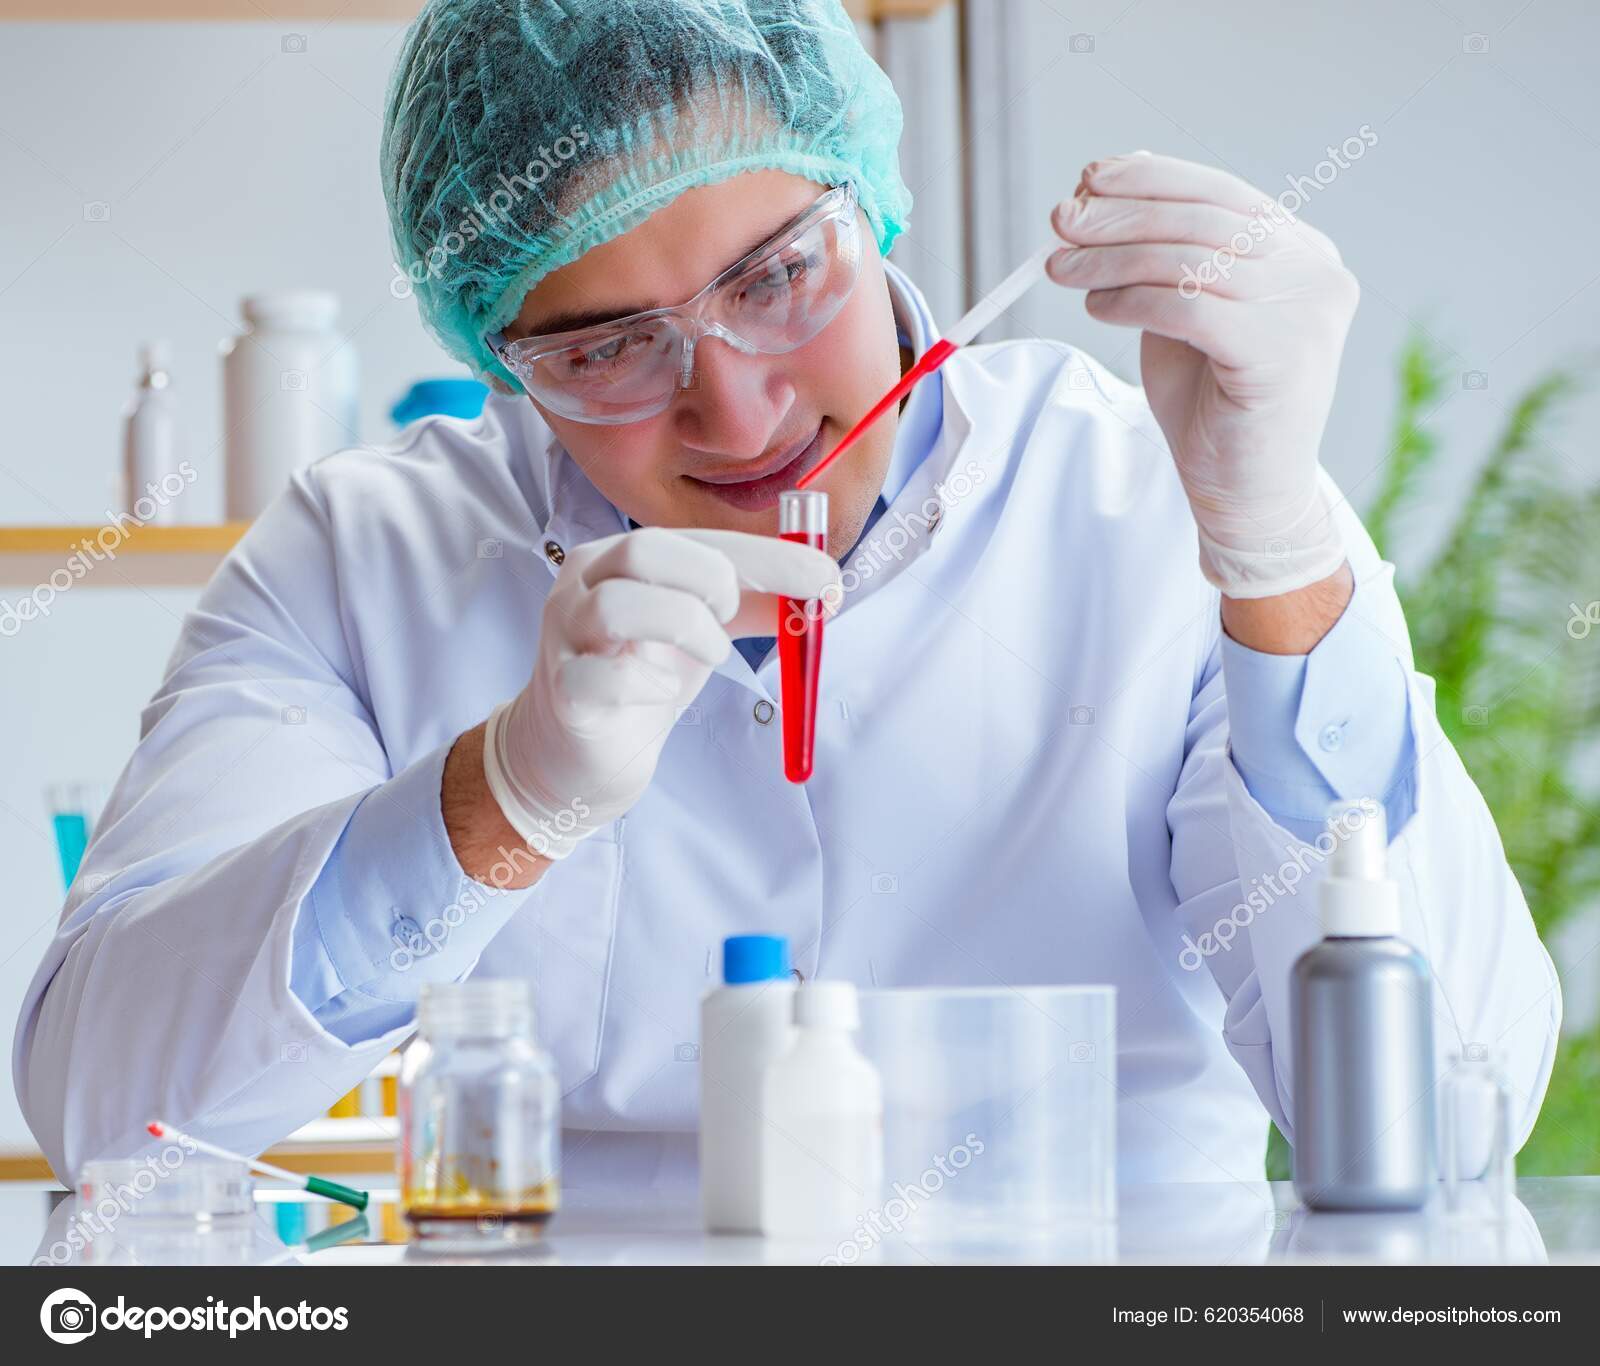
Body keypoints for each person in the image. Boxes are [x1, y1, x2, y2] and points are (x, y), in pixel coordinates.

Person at [15, 0, 1558, 1199]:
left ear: (866, 203)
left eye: (774, 278)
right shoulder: (367, 554)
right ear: (500, 354)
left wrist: (1279, 549)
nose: (739, 415)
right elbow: (106, 1112)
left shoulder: (1165, 491)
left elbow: (1454, 1091)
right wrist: (498, 800)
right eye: (609, 347)